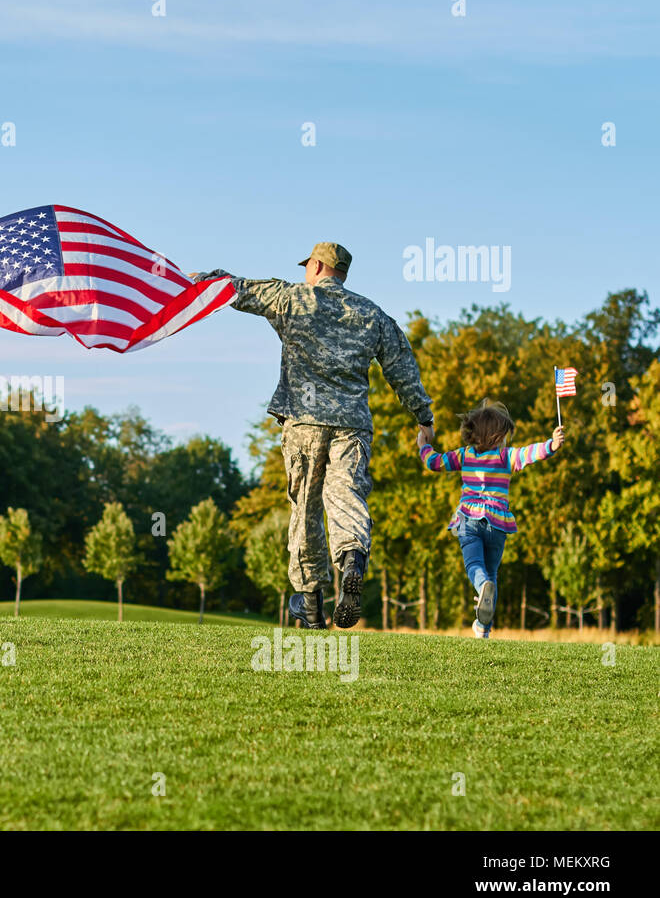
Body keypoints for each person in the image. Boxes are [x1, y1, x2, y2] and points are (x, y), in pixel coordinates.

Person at [194, 243, 434, 629]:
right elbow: (402, 367)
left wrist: (196, 280)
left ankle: (310, 606)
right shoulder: (371, 314)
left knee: (305, 508)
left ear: (318, 266)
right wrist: (423, 416)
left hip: (304, 424)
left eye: (309, 265)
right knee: (346, 496)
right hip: (352, 426)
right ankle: (352, 561)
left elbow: (236, 289)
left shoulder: (291, 298)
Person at [418, 400, 565, 638]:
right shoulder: (507, 457)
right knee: (492, 573)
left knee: (474, 566)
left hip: (469, 520)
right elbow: (531, 453)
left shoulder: (465, 455)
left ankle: (481, 589)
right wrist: (552, 445)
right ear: (497, 436)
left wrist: (423, 445)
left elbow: (434, 463)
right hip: (497, 523)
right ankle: (484, 628)